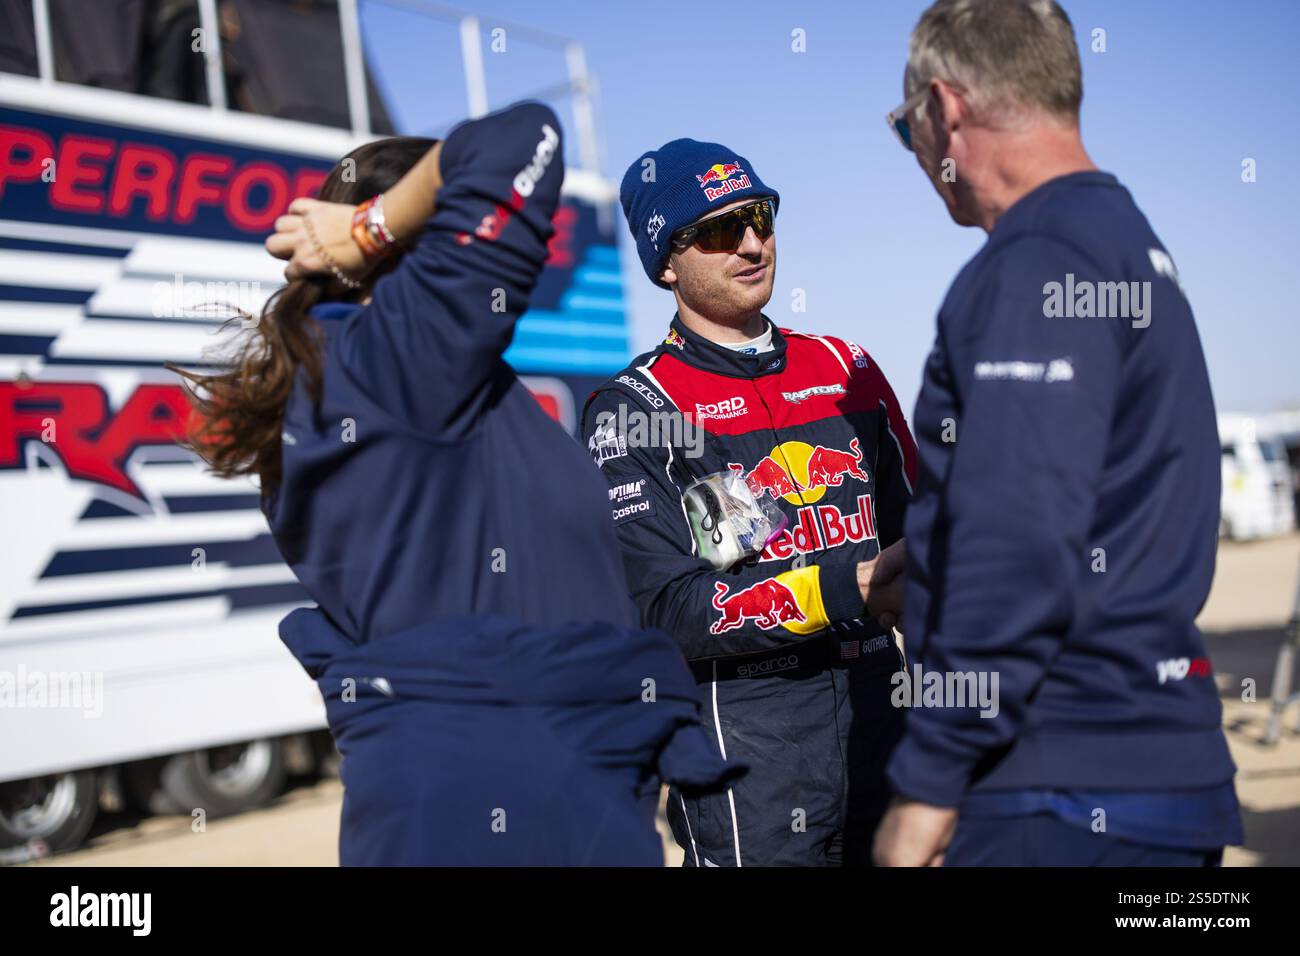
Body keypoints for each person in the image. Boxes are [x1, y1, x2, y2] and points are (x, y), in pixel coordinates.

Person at [175, 101, 741, 866]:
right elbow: (522, 139)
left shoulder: (375, 379)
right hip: (497, 796)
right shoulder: (395, 359)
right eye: (430, 215)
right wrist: (373, 226)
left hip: (531, 786)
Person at [871, 0, 1244, 867]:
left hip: (1056, 795)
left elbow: (1021, 544)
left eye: (907, 132)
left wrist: (927, 784)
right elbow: (1095, 505)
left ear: (945, 109)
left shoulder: (1040, 262)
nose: (919, 157)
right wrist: (931, 551)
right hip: (1163, 786)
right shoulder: (1125, 245)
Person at [583, 139, 916, 866]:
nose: (751, 242)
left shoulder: (847, 368)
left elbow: (925, 541)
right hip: (750, 753)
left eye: (759, 216)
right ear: (667, 262)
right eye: (717, 230)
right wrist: (845, 587)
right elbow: (667, 610)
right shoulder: (636, 409)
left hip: (885, 724)